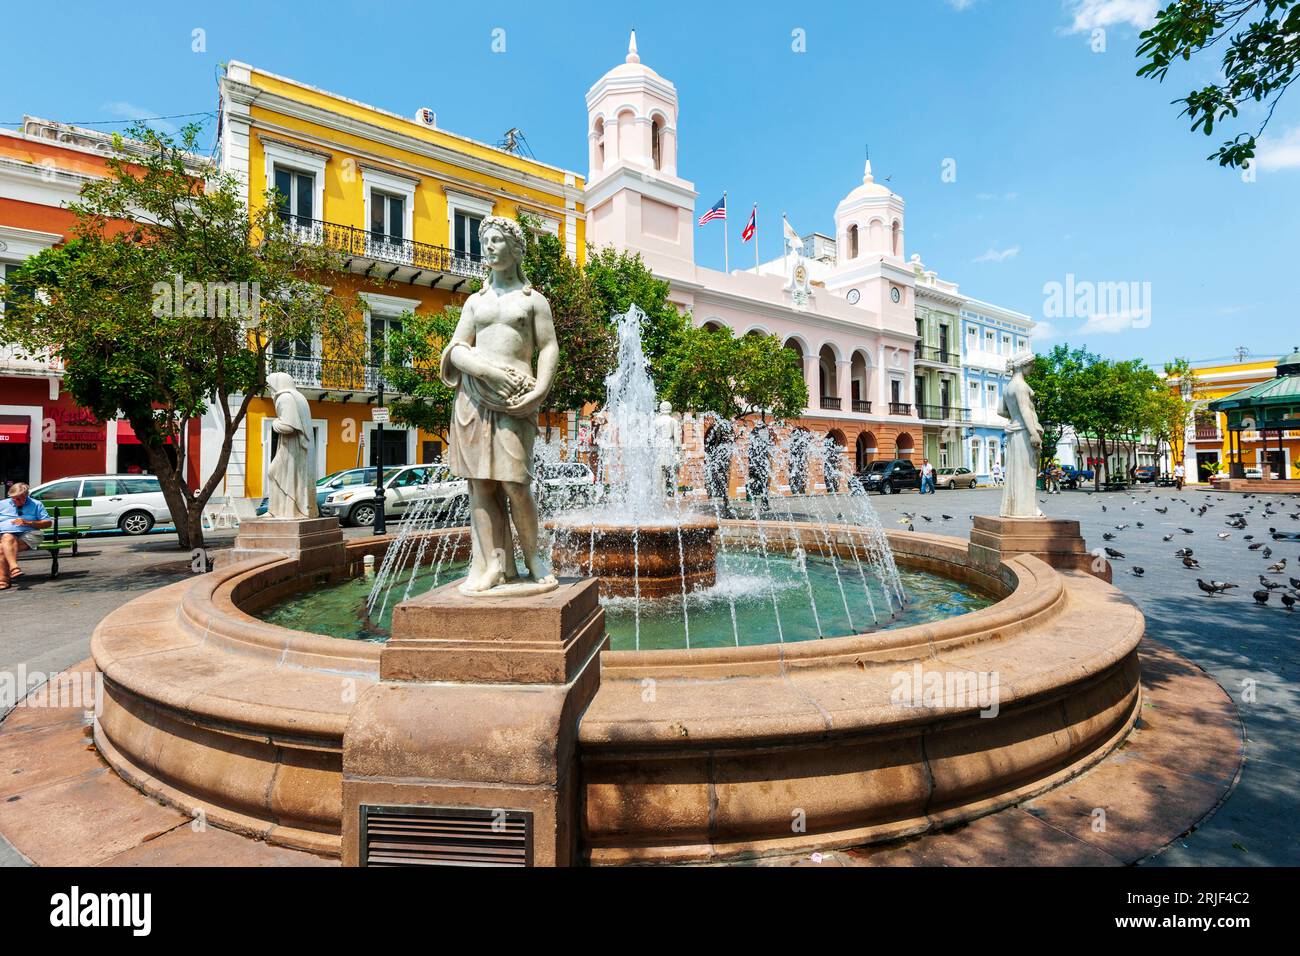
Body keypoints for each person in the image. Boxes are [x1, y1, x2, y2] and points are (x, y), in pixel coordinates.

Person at [440, 215, 559, 594]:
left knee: (515, 483)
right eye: (485, 241)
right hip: (474, 398)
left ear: (516, 248)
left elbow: (549, 346)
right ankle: (493, 563)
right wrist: (487, 372)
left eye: (495, 240)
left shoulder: (533, 301)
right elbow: (456, 349)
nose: (488, 247)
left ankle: (532, 556)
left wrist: (540, 390)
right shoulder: (475, 303)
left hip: (517, 400)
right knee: (480, 486)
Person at [0, 483, 53, 590]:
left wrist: (28, 522)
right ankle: (14, 568)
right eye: (14, 499)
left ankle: (3, 580)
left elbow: (48, 523)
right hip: (5, 535)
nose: (16, 501)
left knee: (2, 548)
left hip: (29, 535)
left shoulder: (36, 504)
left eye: (20, 499)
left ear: (26, 496)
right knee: (7, 538)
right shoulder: (2, 504)